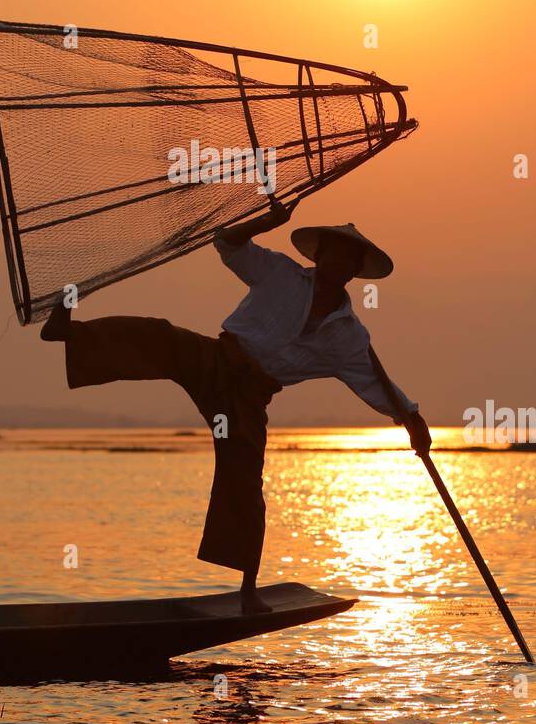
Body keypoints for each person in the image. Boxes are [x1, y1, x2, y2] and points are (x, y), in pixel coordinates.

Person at [40, 202, 429, 613]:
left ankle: (248, 588)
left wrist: (412, 419)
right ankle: (70, 333)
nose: (338, 262)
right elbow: (227, 243)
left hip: (249, 395)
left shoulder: (349, 335)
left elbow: (374, 383)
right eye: (332, 252)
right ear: (318, 256)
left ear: (354, 269)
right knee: (159, 336)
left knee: (244, 481)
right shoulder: (278, 273)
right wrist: (266, 221)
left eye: (347, 258)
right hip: (218, 358)